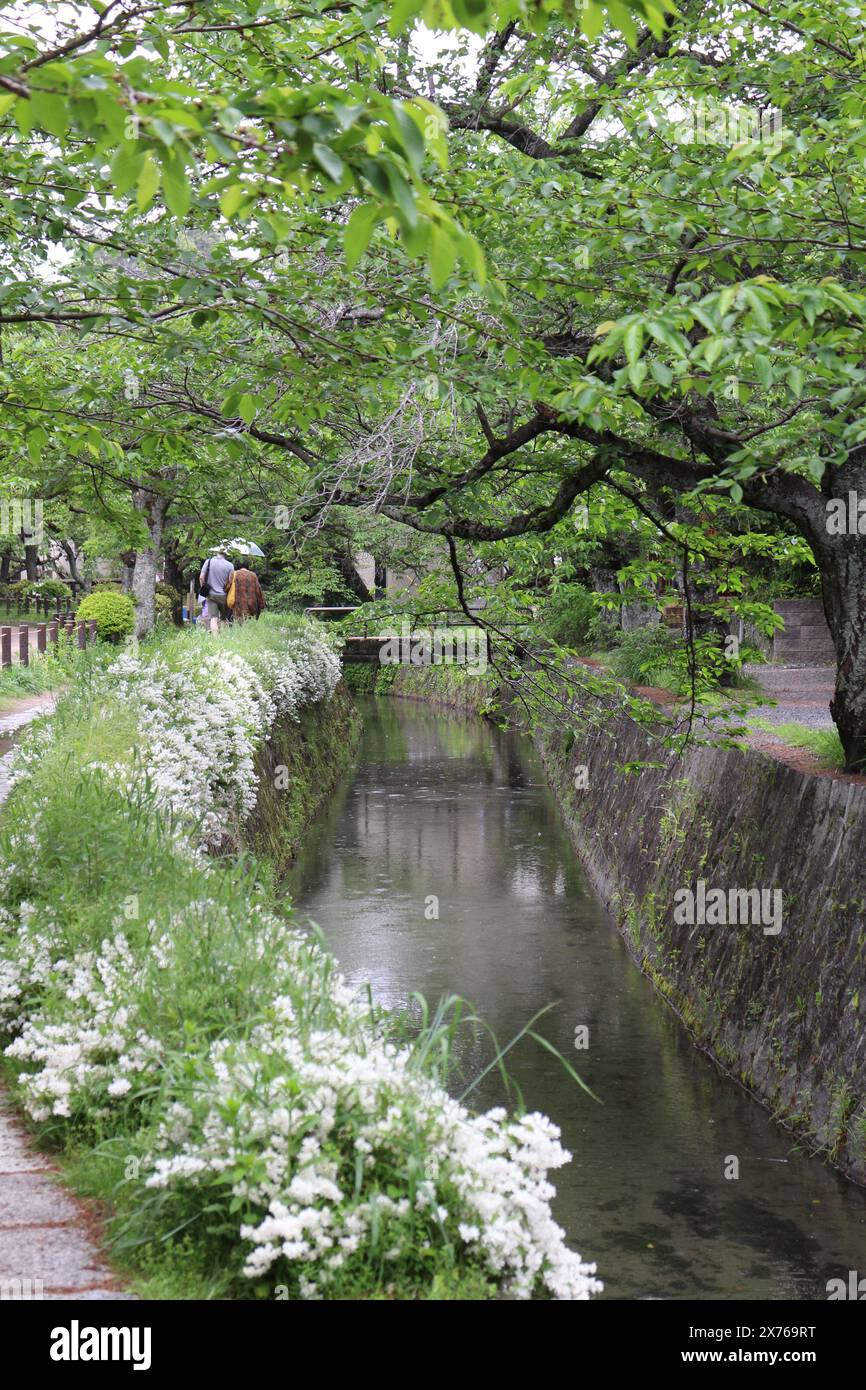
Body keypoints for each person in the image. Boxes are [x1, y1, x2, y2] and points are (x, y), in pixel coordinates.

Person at [199, 546, 234, 633]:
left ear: (217, 552)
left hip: (211, 595)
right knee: (224, 618)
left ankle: (216, 640)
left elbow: (201, 577)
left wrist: (203, 588)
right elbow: (230, 581)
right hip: (224, 596)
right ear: (226, 554)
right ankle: (224, 639)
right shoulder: (230, 565)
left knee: (213, 618)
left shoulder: (208, 562)